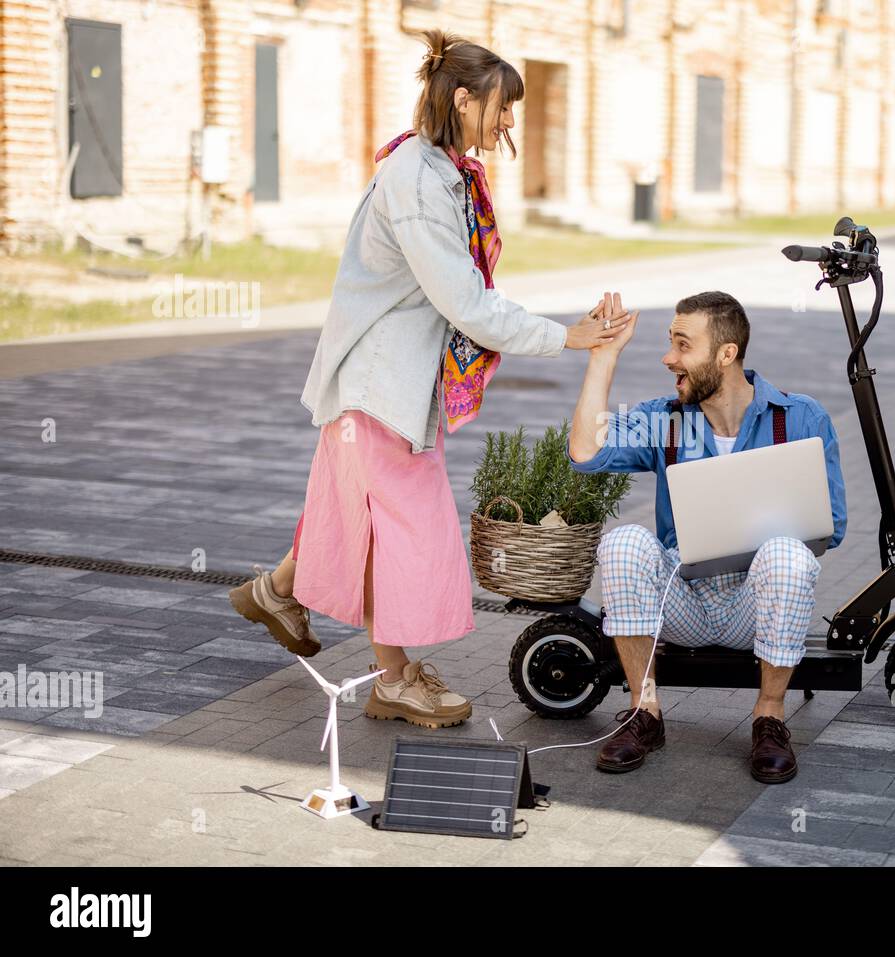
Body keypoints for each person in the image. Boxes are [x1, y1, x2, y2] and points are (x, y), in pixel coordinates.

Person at [228, 29, 631, 730]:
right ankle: (394, 679)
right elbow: (467, 303)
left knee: (363, 517)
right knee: (407, 534)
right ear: (464, 98)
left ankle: (278, 592)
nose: (509, 122)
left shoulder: (433, 168)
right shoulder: (417, 181)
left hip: (389, 389)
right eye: (503, 107)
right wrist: (570, 335)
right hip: (376, 390)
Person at [568, 291, 847, 784]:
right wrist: (603, 355)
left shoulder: (800, 418)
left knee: (787, 553)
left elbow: (833, 525)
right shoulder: (665, 419)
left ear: (726, 354)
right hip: (683, 605)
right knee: (623, 542)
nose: (668, 358)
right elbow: (587, 452)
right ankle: (643, 713)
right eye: (669, 343)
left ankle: (769, 717)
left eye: (682, 345)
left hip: (755, 606)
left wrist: (764, 538)